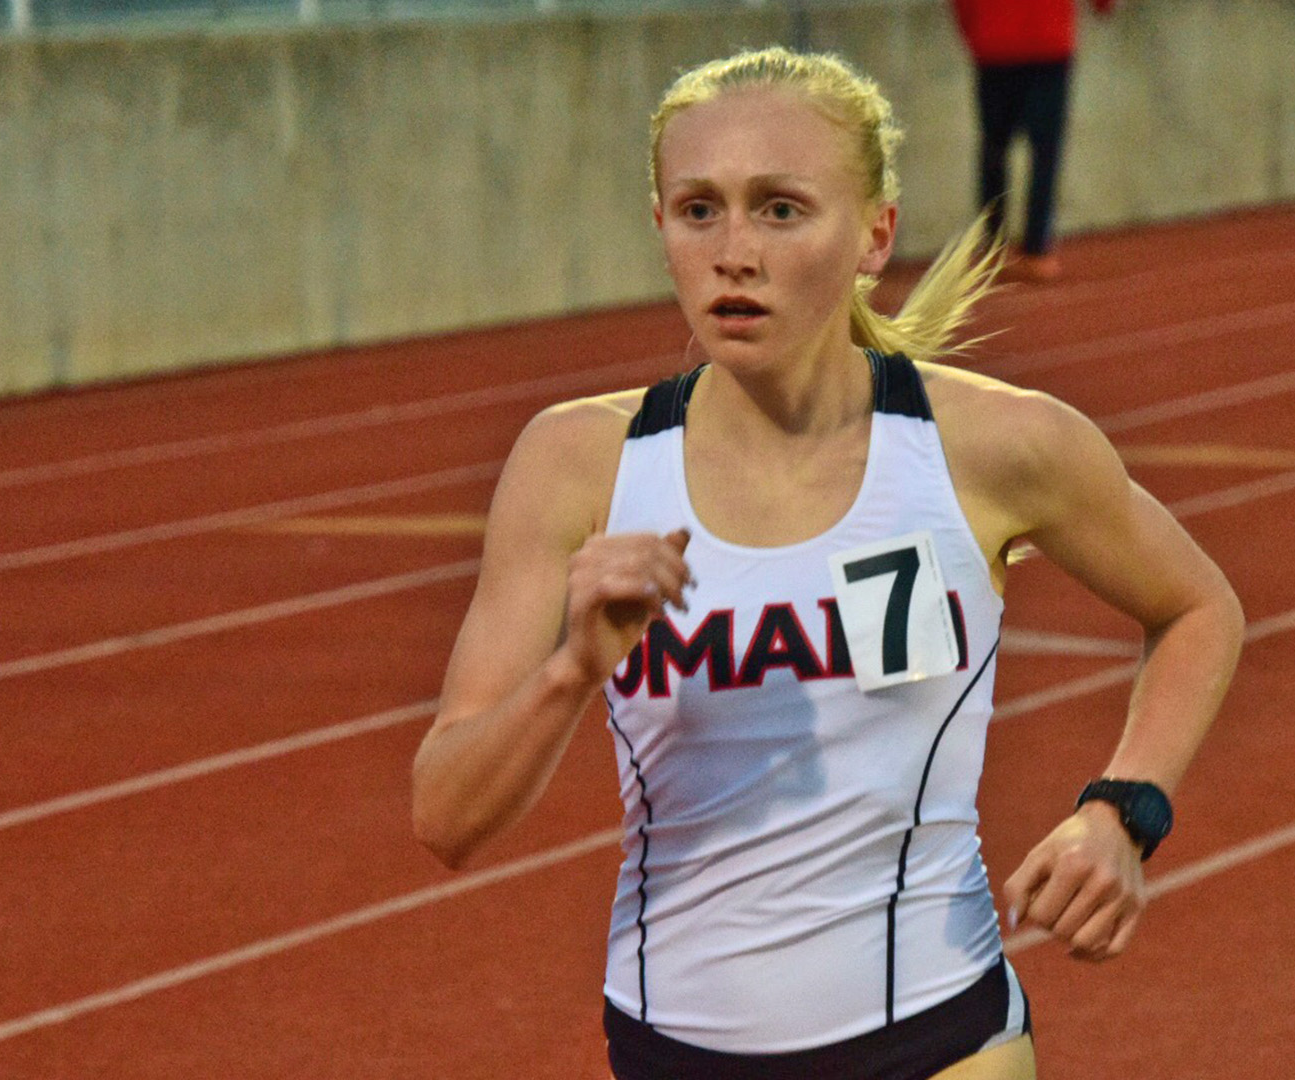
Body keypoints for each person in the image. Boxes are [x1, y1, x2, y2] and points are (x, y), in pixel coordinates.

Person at [411, 46, 1243, 1080]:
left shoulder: (990, 448)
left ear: (873, 235)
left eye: (781, 209)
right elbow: (444, 816)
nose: (734, 253)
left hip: (940, 1040)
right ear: (659, 225)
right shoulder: (579, 467)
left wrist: (1123, 811)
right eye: (698, 210)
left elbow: (1198, 605)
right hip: (677, 1050)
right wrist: (570, 673)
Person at [949, 0, 1114, 281]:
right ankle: (1035, 249)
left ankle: (995, 245)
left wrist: (976, 34)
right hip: (1041, 45)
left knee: (995, 152)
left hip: (998, 46)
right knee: (1042, 153)